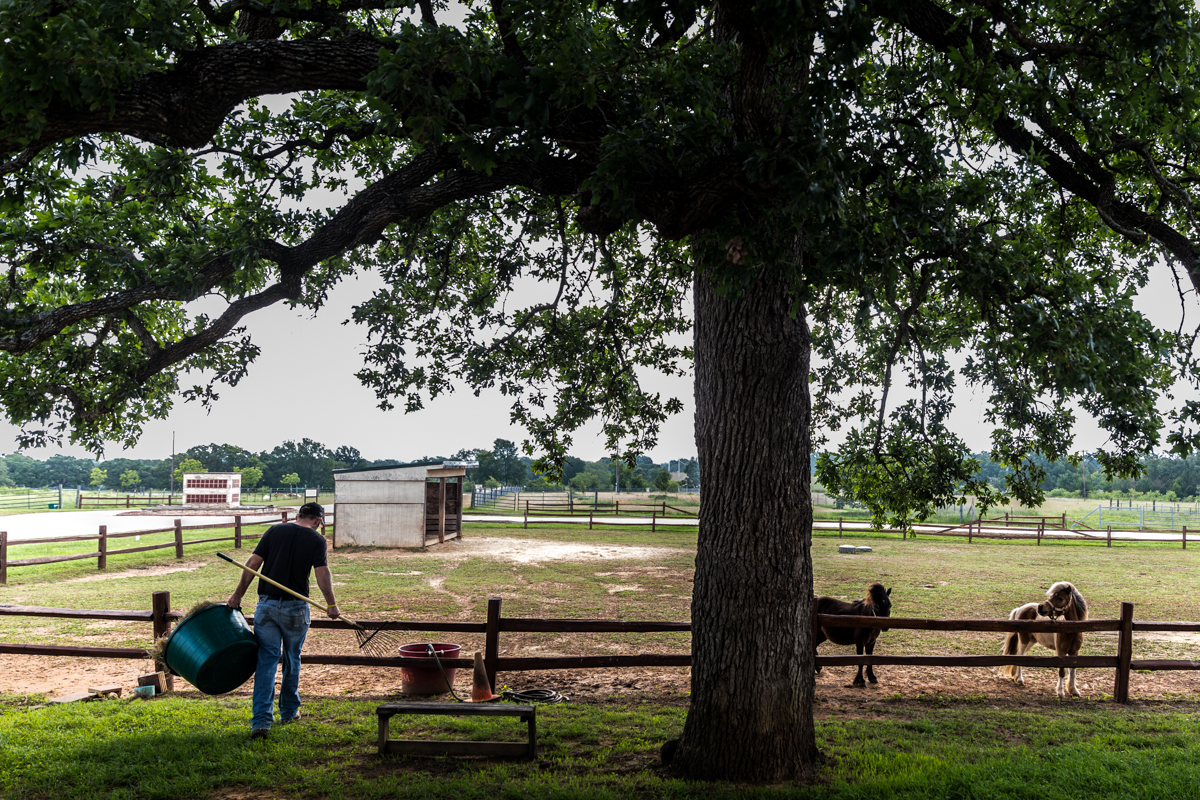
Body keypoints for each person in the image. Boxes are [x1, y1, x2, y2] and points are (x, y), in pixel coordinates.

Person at [227, 501, 340, 740]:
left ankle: (260, 722)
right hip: (295, 608)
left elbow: (253, 564)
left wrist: (238, 595)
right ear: (319, 521)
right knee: (291, 658)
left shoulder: (275, 530)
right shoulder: (317, 540)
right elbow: (322, 573)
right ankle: (288, 711)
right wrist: (331, 604)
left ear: (298, 515)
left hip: (266, 605)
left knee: (266, 661)